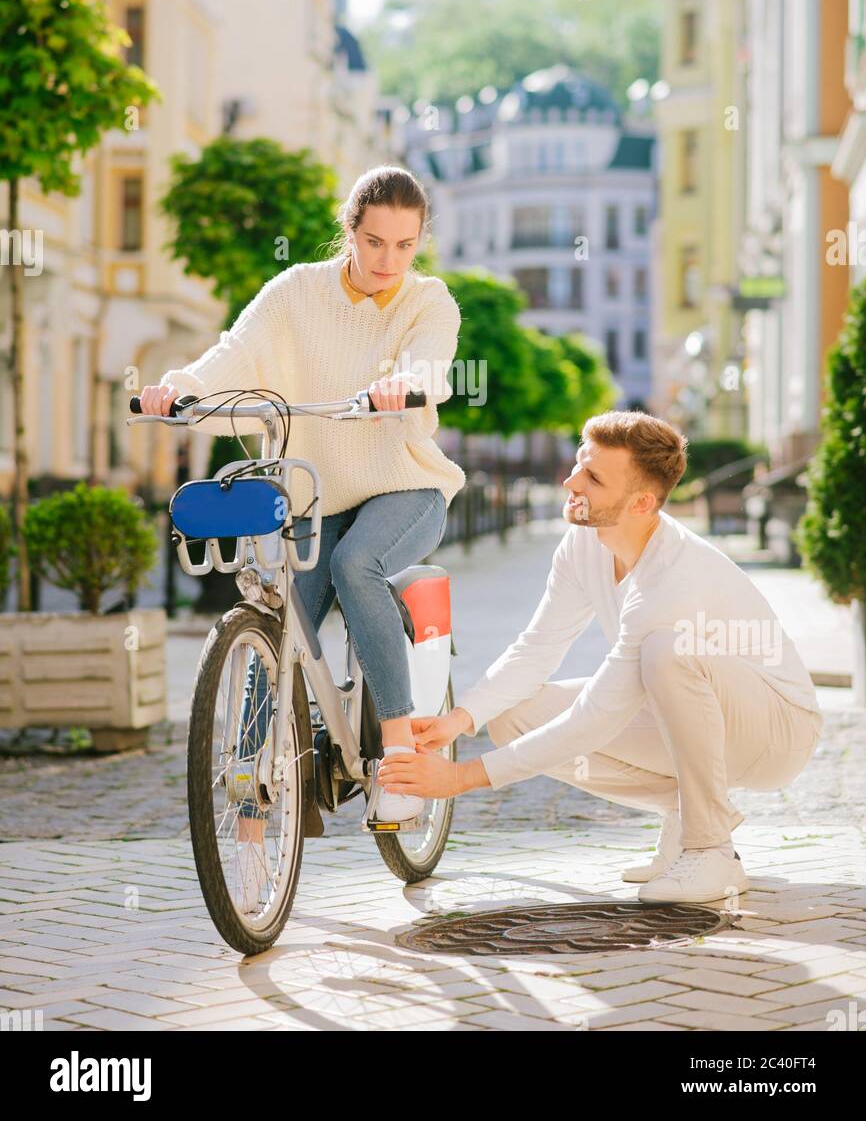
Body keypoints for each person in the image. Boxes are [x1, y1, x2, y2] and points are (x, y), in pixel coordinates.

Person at [140, 166, 465, 905]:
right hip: (314, 494)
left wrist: (404, 385)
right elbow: (234, 352)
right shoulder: (295, 292)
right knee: (274, 624)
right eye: (374, 240)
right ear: (348, 229)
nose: (387, 259)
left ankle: (401, 761)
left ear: (419, 243)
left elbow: (431, 364)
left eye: (404, 245)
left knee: (357, 567)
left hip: (403, 485)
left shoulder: (426, 300)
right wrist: (180, 386)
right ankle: (253, 822)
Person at [377, 410, 824, 905]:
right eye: (577, 464)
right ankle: (689, 812)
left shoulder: (673, 578)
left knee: (666, 651)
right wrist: (461, 719)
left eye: (593, 477)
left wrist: (461, 779)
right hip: (698, 711)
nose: (571, 481)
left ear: (642, 503)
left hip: (778, 729)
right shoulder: (583, 544)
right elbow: (539, 646)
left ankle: (710, 848)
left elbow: (596, 718)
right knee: (510, 716)